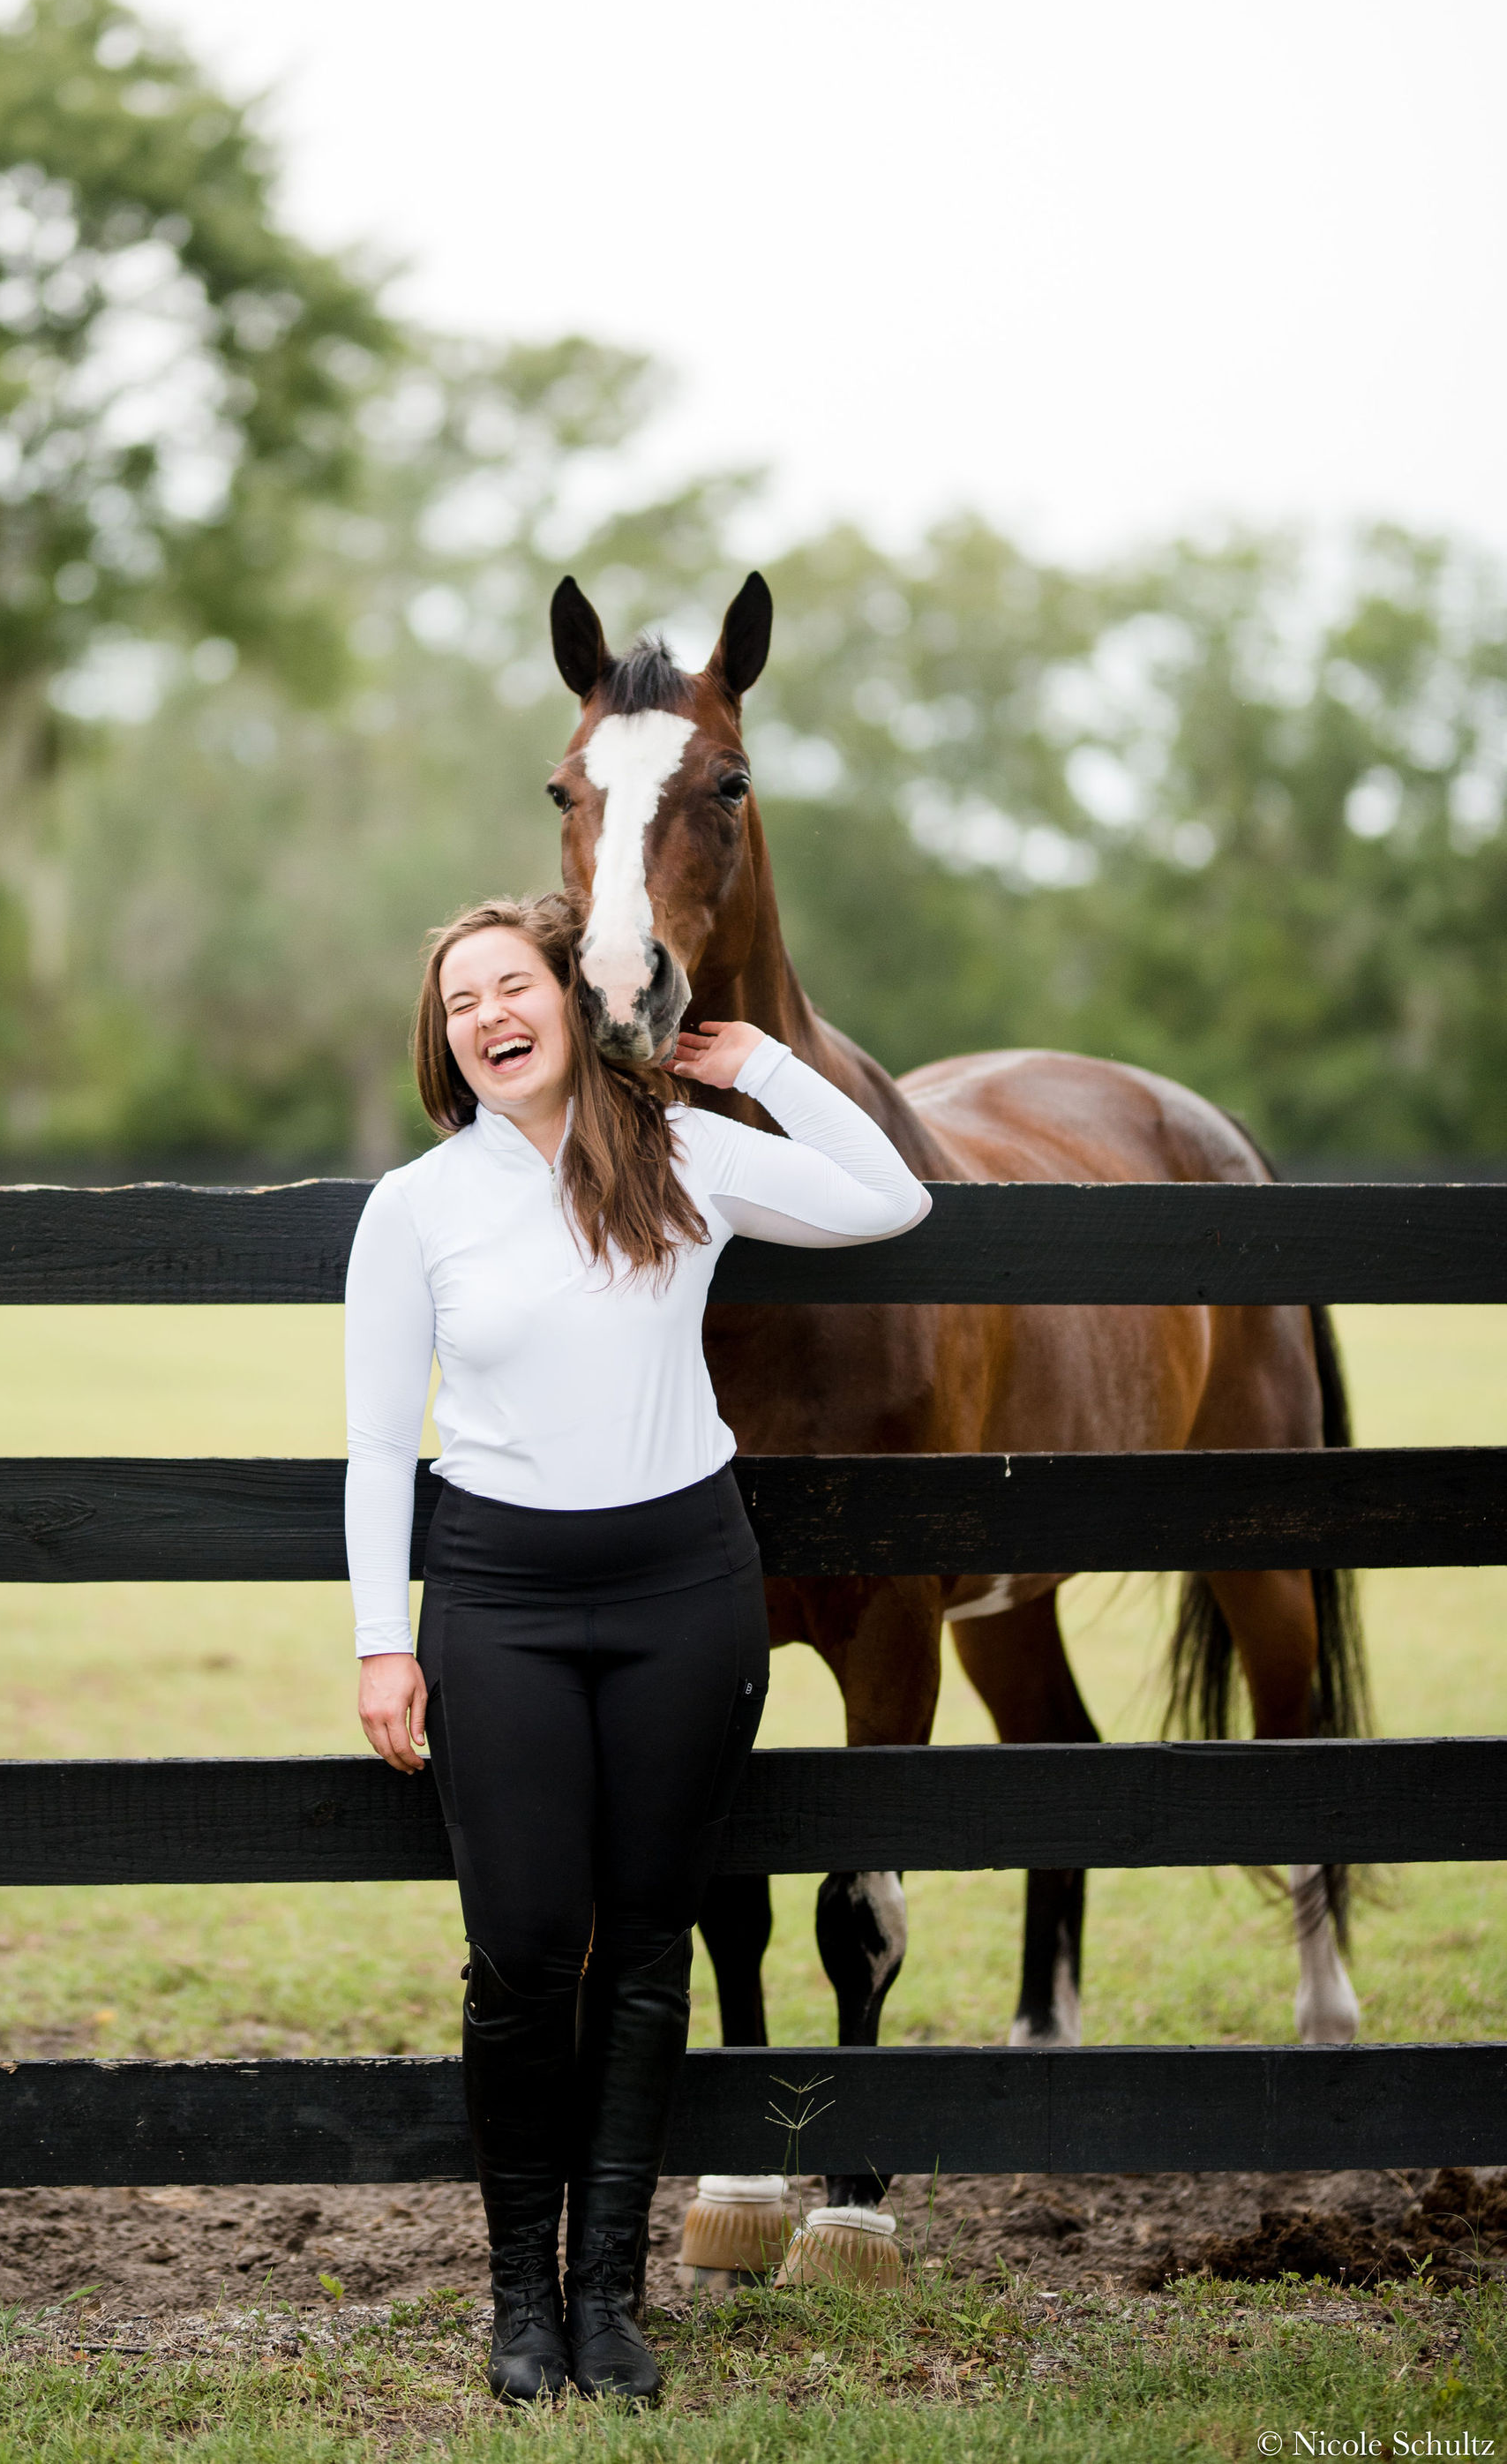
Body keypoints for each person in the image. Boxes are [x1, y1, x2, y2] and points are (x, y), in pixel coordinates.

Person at [343, 892, 929, 2405]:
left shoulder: (682, 1152)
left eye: (510, 984)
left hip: (684, 1593)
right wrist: (376, 1643)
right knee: (526, 1956)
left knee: (651, 1954)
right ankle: (519, 2305)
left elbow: (890, 1202)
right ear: (446, 1037)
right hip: (499, 1603)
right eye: (460, 999)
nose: (486, 1015)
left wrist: (769, 1072)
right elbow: (370, 1450)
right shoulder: (416, 1205)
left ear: (567, 1000)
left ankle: (607, 2300)